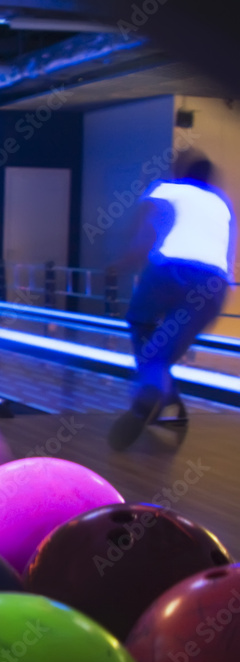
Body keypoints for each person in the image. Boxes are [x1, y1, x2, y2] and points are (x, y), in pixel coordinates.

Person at [108, 154, 236, 449]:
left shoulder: (165, 190)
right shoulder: (222, 203)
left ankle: (152, 390)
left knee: (141, 325)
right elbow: (228, 254)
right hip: (213, 283)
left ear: (180, 172)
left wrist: (123, 263)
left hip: (170, 270)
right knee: (164, 351)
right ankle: (168, 398)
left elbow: (146, 237)